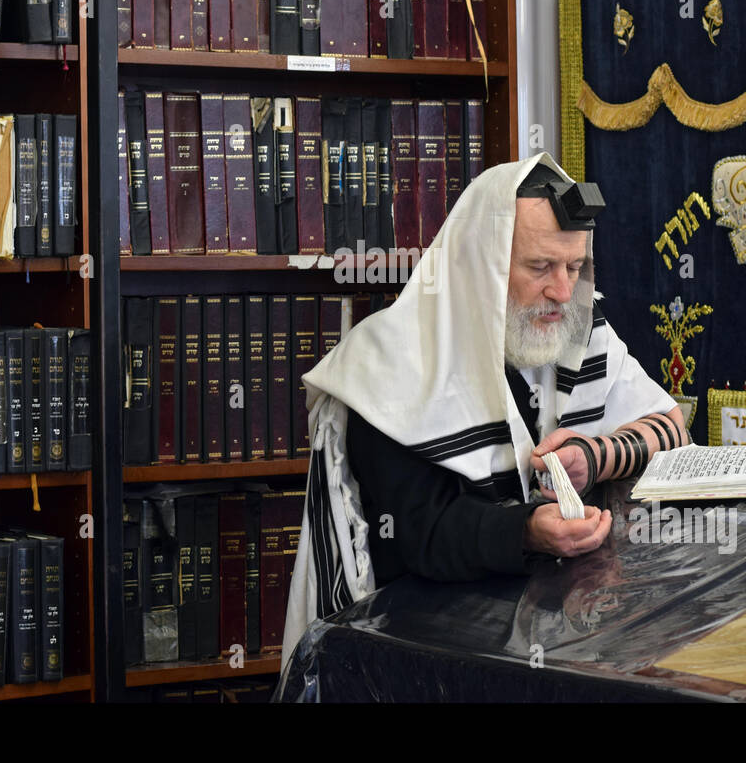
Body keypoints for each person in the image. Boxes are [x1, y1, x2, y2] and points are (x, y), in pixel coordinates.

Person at [281, 154, 689, 666]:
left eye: (575, 267)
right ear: (484, 263)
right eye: (540, 267)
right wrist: (527, 532)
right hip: (423, 645)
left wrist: (596, 452)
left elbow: (673, 429)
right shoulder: (386, 363)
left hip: (558, 629)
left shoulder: (572, 324)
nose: (563, 292)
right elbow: (415, 534)